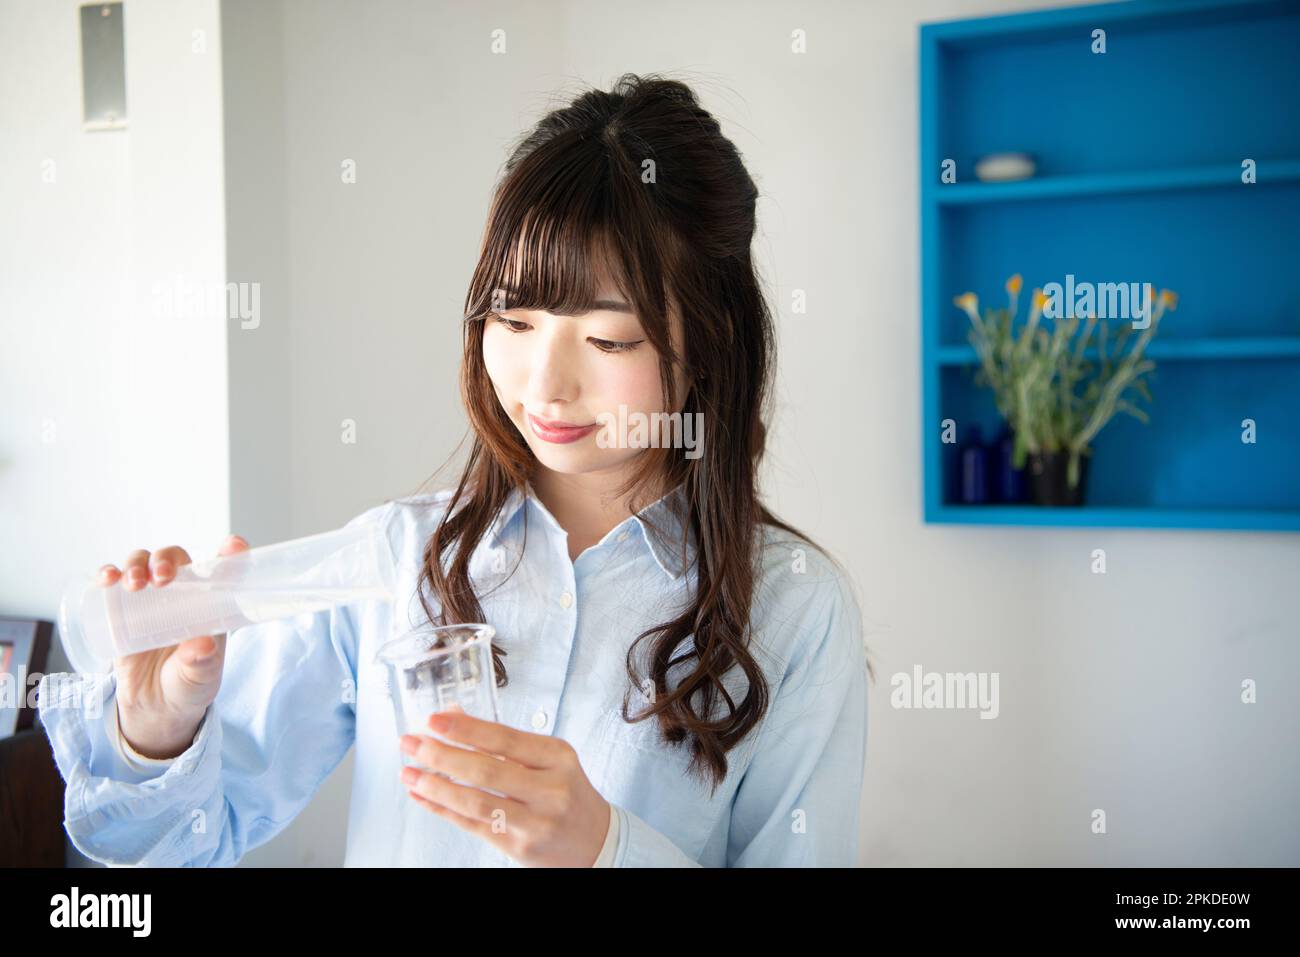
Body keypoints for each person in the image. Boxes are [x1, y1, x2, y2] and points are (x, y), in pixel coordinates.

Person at [37, 73, 871, 867]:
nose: (545, 384)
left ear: (712, 340)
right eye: (513, 320)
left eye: (609, 338)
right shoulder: (396, 560)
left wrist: (606, 848)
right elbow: (178, 841)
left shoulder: (797, 610)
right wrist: (156, 732)